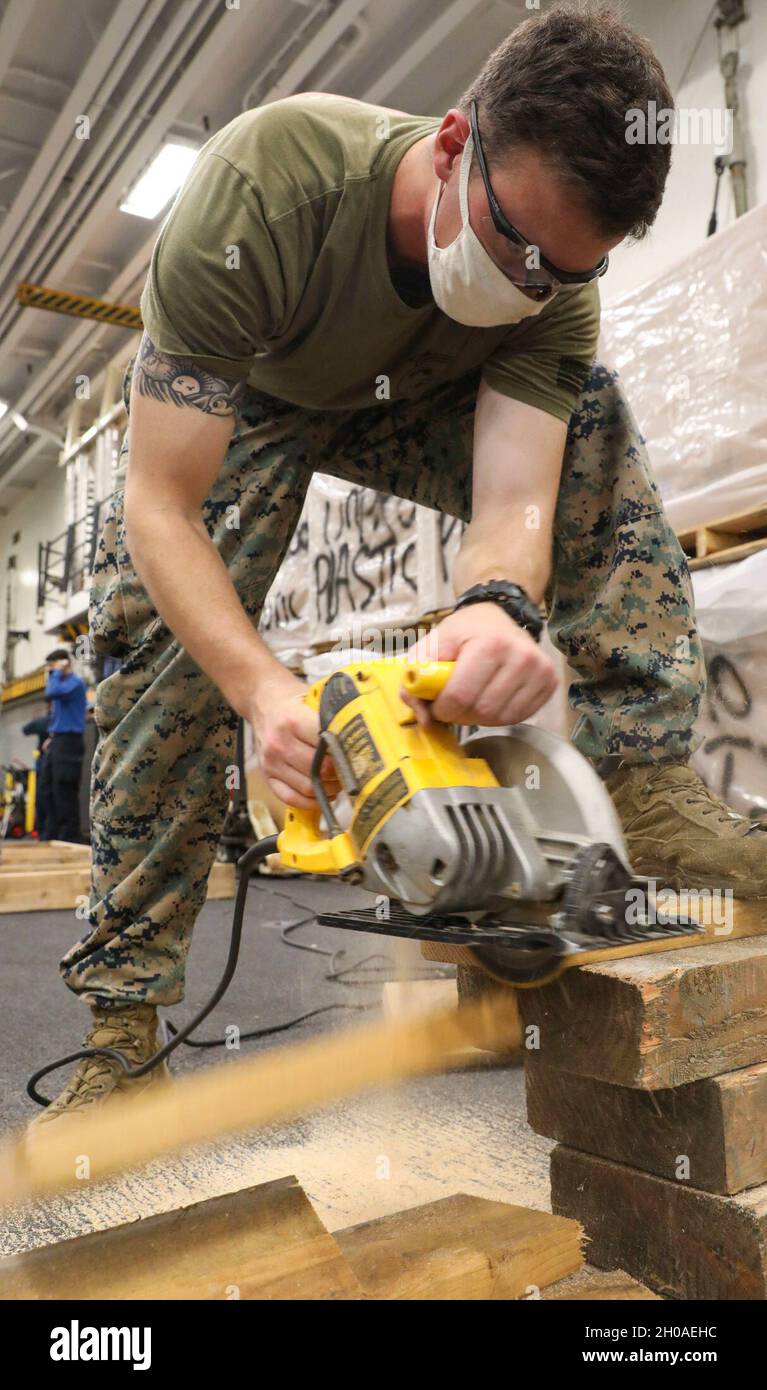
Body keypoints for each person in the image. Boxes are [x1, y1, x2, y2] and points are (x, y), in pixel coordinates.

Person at [33, 4, 766, 1130]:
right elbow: (160, 505)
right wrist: (262, 692)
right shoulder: (264, 190)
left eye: (562, 272)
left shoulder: (553, 287)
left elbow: (516, 498)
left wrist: (495, 605)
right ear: (451, 142)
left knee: (593, 423)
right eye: (516, 248)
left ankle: (638, 782)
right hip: (255, 393)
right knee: (154, 643)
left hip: (418, 398)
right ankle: (122, 1030)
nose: (531, 284)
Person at [44, 649, 87, 844]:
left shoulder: (74, 683)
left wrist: (57, 672)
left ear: (63, 663)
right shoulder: (61, 683)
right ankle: (52, 832)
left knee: (64, 788)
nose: (50, 671)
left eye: (51, 666)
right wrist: (51, 737)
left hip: (70, 741)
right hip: (58, 740)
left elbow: (51, 692)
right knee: (47, 787)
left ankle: (70, 834)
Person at [21, 703, 53, 839]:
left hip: (44, 764)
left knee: (42, 797)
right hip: (57, 764)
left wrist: (36, 720)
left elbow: (25, 730)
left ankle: (42, 831)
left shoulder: (44, 721)